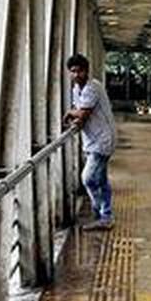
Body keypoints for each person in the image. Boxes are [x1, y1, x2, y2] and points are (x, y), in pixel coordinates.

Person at [65, 54, 117, 230]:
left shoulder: (92, 87)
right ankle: (105, 214)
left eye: (80, 71)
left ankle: (103, 213)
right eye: (73, 71)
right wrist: (76, 118)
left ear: (86, 71)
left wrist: (71, 114)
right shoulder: (76, 90)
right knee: (100, 180)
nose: (76, 74)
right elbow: (81, 117)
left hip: (102, 140)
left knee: (87, 179)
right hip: (92, 140)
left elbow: (82, 113)